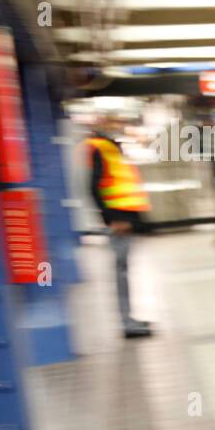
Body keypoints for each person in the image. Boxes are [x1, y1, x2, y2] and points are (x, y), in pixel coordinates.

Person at [79, 118, 154, 339]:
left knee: (123, 270)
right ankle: (126, 322)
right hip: (118, 222)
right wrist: (111, 219)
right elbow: (92, 187)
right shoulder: (99, 148)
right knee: (120, 272)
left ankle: (129, 318)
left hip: (124, 219)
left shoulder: (111, 147)